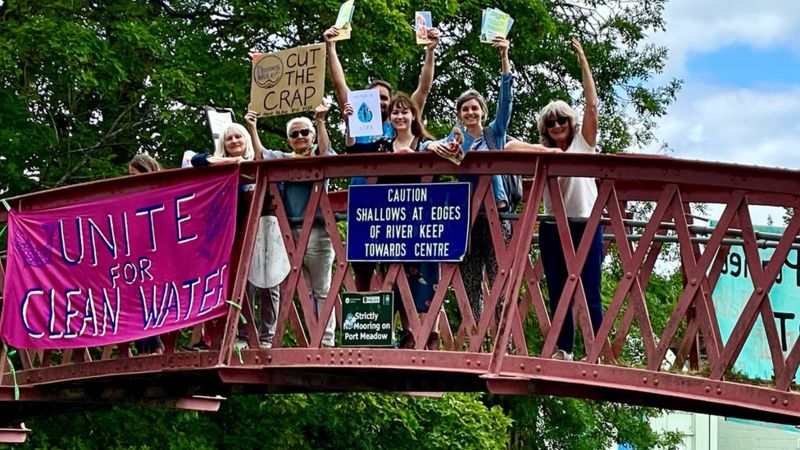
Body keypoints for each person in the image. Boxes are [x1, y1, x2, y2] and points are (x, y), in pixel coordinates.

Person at [507, 39, 602, 361]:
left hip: (586, 224)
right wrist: (546, 151)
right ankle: (564, 349)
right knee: (559, 288)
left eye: (562, 120)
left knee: (589, 290)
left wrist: (583, 60)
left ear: (570, 123)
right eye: (551, 123)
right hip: (552, 226)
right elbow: (507, 148)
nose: (557, 125)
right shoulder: (544, 154)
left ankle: (595, 351)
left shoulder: (583, 145)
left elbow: (591, 106)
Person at [425, 36, 513, 327]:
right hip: (468, 217)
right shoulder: (455, 139)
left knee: (500, 277)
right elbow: (424, 147)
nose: (470, 113)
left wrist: (504, 59)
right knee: (469, 279)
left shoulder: (494, 134)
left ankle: (503, 344)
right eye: (465, 109)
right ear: (460, 115)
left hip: (497, 213)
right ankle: (474, 339)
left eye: (475, 108)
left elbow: (506, 103)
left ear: (482, 112)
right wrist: (431, 147)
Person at [343, 93, 441, 349]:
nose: (399, 116)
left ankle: (430, 334)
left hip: (419, 223)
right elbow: (353, 150)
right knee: (394, 276)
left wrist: (419, 155)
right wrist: (349, 122)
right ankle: (407, 334)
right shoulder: (384, 145)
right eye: (395, 113)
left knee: (424, 277)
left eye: (404, 112)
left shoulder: (425, 144)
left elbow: (444, 155)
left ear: (413, 115)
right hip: (389, 225)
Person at [244, 104, 337, 348]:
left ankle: (325, 342)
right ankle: (312, 340)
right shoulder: (283, 160)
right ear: (288, 140)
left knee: (322, 288)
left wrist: (320, 121)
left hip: (317, 232)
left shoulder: (318, 157)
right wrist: (252, 127)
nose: (300, 137)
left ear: (312, 136)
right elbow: (260, 155)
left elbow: (328, 154)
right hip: (289, 234)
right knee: (303, 291)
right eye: (294, 134)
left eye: (304, 132)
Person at [190, 123, 281, 350]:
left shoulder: (259, 162)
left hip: (263, 229)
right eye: (228, 138)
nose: (234, 141)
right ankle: (243, 336)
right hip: (234, 234)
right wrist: (233, 162)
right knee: (241, 285)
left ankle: (267, 336)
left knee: (269, 283)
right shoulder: (221, 168)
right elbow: (197, 160)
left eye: (238, 136)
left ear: (246, 139)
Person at [323, 24, 440, 143]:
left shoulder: (400, 123)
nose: (379, 101)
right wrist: (330, 46)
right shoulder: (355, 117)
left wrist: (430, 51)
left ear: (391, 102)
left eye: (384, 98)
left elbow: (423, 89)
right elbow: (339, 85)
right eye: (374, 97)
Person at [127, 153, 167, 355]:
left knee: (148, 300)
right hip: (136, 256)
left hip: (155, 256)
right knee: (136, 301)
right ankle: (145, 348)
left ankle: (155, 346)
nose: (131, 178)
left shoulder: (160, 192)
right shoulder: (130, 197)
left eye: (134, 174)